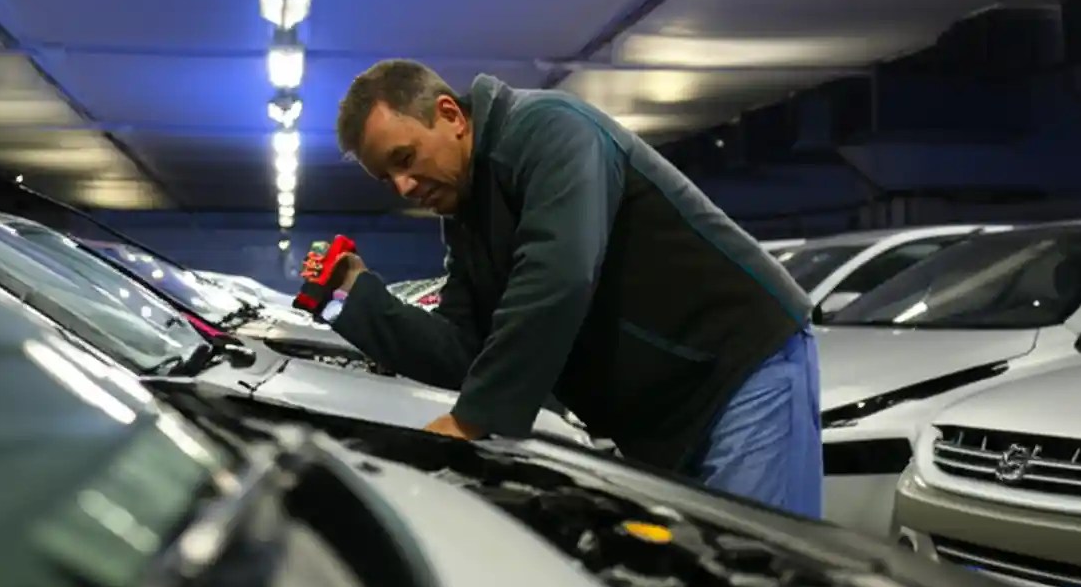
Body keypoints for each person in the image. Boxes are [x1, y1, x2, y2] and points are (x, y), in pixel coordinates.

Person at [307, 59, 822, 517]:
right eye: (386, 178)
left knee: (753, 573)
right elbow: (465, 351)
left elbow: (558, 274)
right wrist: (357, 296)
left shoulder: (550, 129)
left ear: (451, 115)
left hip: (741, 370)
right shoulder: (469, 217)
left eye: (404, 158)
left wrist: (470, 422)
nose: (403, 187)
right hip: (666, 410)